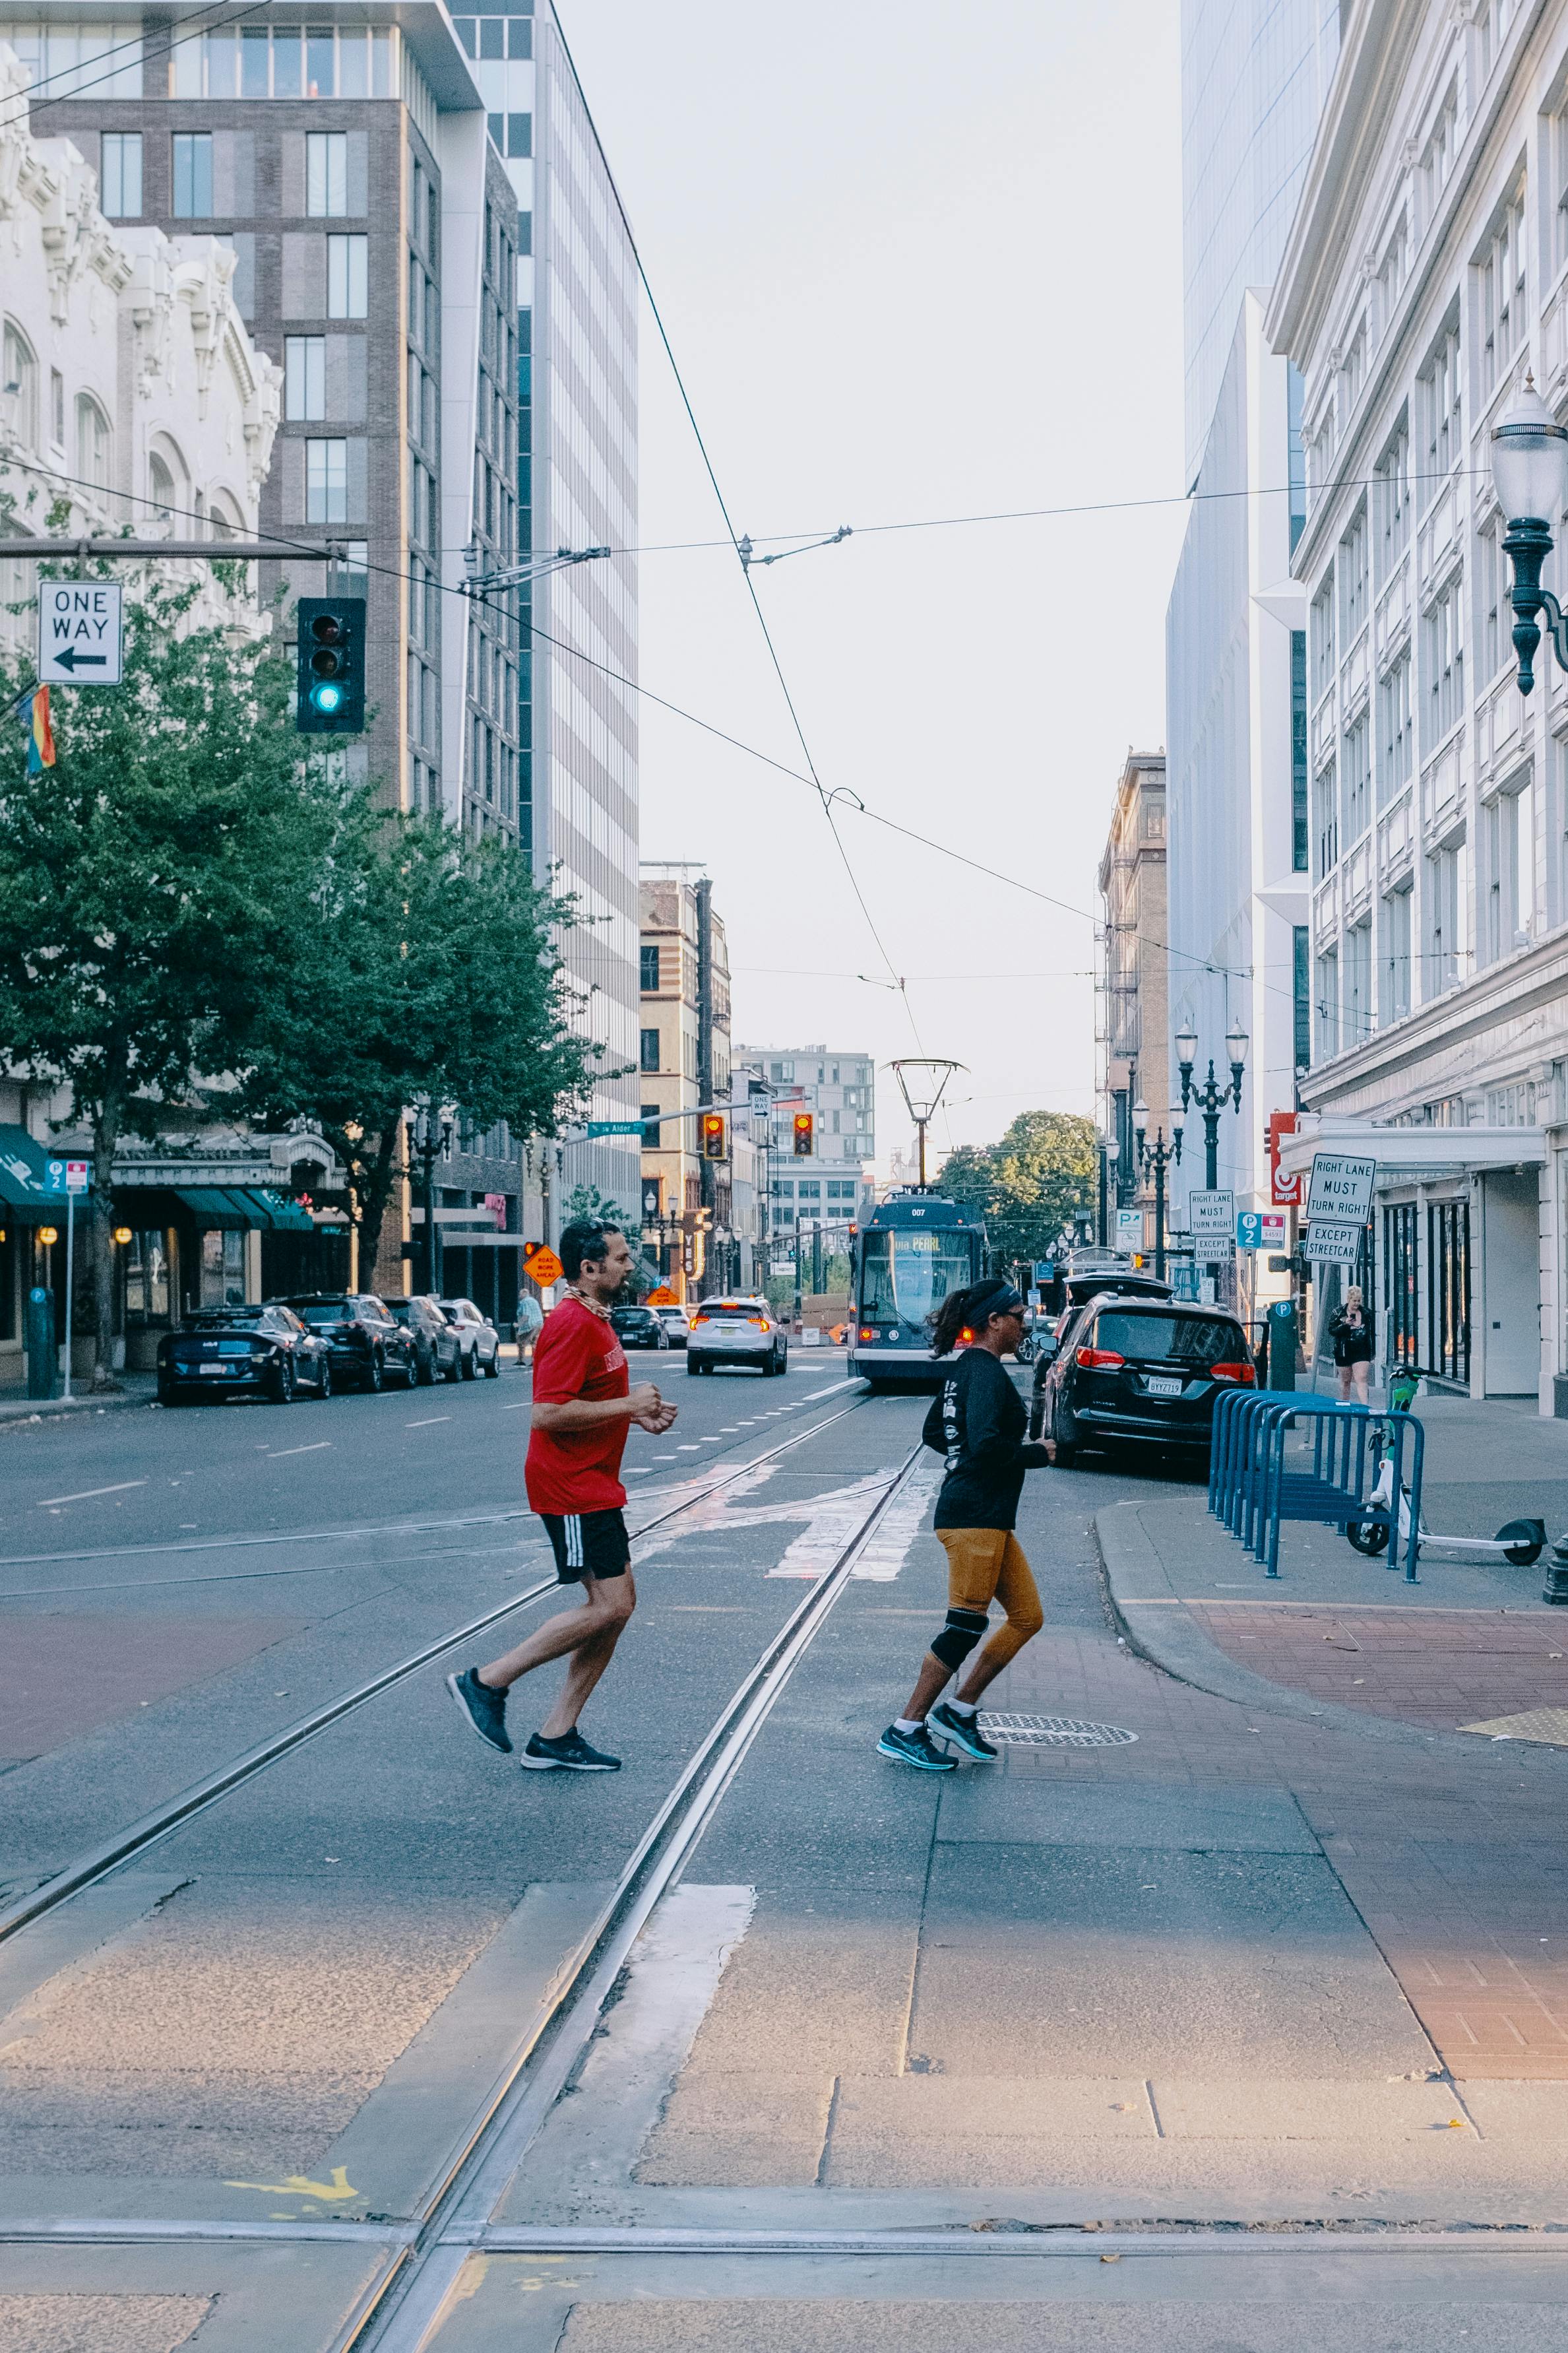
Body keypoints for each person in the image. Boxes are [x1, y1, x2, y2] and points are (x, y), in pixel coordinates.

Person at [447, 1219, 677, 1770]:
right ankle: (486, 1682)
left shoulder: (596, 1319)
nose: (630, 1266)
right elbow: (546, 1413)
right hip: (572, 1488)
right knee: (611, 1604)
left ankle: (556, 1735)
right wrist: (627, 1406)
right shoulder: (573, 1323)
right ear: (589, 1268)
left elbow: (585, 1400)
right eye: (621, 1259)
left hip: (594, 1482)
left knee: (614, 1610)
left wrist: (636, 1415)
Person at [878, 1280, 1051, 1774]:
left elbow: (936, 1432)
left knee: (1026, 1617)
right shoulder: (985, 1373)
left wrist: (966, 1459)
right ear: (995, 1321)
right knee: (965, 1626)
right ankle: (906, 1728)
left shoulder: (967, 1371)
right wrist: (1037, 1454)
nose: (1024, 1326)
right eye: (1018, 1316)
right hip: (973, 1517)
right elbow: (985, 1445)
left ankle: (959, 1709)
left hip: (987, 1515)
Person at [1329, 1283, 1374, 1406]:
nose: (1356, 1304)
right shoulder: (1338, 1313)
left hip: (1362, 1350)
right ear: (1348, 1299)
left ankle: (1365, 1408)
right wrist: (1345, 1325)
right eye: (1354, 1301)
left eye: (1359, 1301)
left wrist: (1372, 1352)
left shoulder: (1366, 1313)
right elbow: (1332, 1330)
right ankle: (1344, 1407)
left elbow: (1371, 1333)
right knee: (1345, 1381)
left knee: (1362, 1378)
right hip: (1344, 1351)